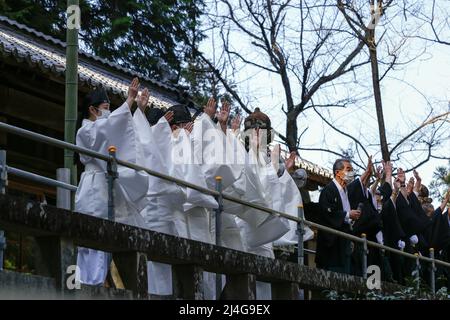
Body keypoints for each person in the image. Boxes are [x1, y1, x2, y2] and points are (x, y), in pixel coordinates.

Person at [75, 78, 149, 286]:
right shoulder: (86, 130)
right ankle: (89, 285)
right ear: (92, 110)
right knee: (93, 242)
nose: (108, 112)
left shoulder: (100, 125)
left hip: (104, 185)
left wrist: (138, 110)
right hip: (93, 188)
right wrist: (128, 102)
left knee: (109, 239)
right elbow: (109, 128)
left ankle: (103, 284)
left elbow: (120, 130)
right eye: (106, 108)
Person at [315, 158, 361, 274]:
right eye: (348, 169)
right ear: (337, 172)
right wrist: (347, 214)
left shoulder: (345, 192)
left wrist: (350, 218)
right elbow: (327, 213)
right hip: (332, 244)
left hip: (344, 240)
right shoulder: (328, 190)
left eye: (352, 170)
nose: (351, 173)